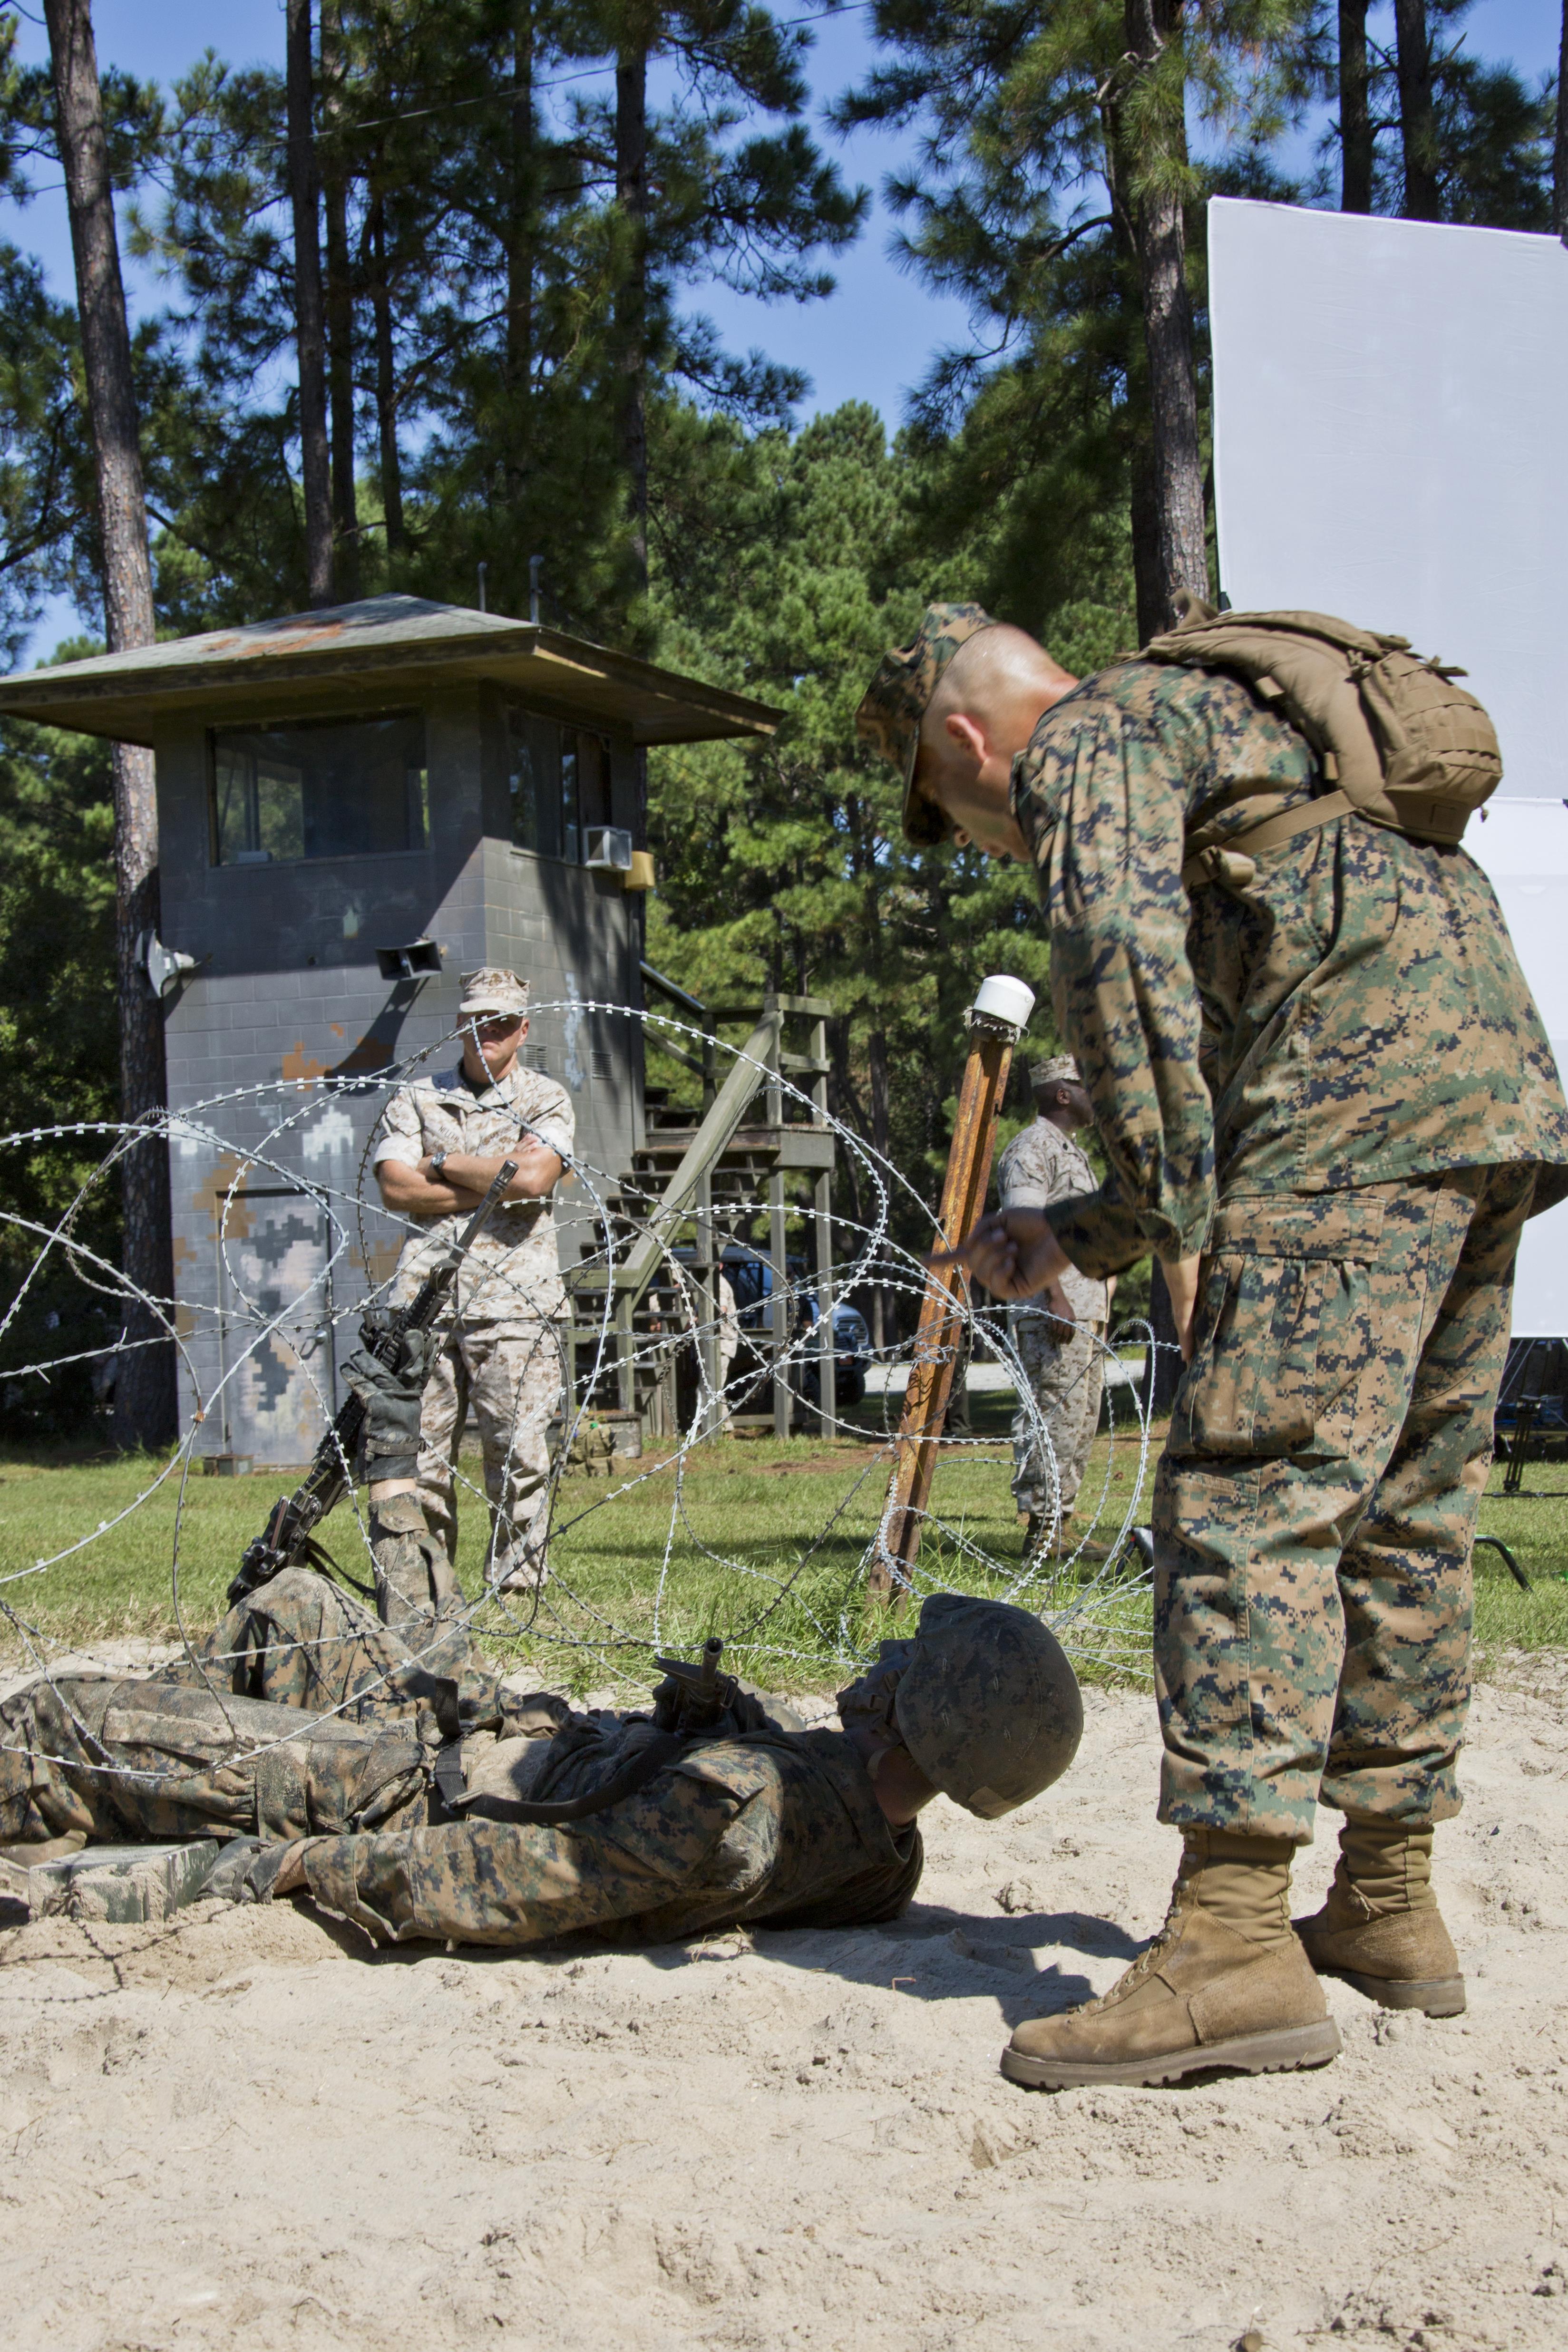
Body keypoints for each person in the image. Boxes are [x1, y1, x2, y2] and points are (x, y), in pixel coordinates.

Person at [856, 602, 1568, 2091]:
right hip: (1487, 1097)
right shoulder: (1225, 720)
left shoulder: (1085, 739)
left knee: (1247, 1498)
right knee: (1408, 1509)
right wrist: (1093, 1229)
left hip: (1345, 1114)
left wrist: (1160, 1207)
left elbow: (1122, 969)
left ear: (962, 741)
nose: (989, 839)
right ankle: (1387, 1899)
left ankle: (1233, 1943)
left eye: (961, 815)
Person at [0, 1574, 1083, 1952]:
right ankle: (152, 1784)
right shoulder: (886, 1851)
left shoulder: (745, 1804)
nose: (885, 1651)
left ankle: (136, 1791)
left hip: (407, 1793)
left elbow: (522, 1879)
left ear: (925, 1713)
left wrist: (294, 1865)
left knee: (55, 1724)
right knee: (293, 1610)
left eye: (909, 1659)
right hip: (498, 1743)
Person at [373, 967, 574, 1596]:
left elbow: (534, 1178)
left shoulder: (545, 1098)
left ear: (523, 1028)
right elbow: (394, 1185)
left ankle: (516, 1591)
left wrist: (442, 1163)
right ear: (460, 1022)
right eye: (477, 1019)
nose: (488, 1030)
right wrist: (493, 1182)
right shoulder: (417, 1097)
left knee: (518, 1456)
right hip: (426, 1304)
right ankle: (429, 1592)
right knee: (420, 1463)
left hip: (515, 1304)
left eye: (502, 1021)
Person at [997, 1055, 1116, 1555]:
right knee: (1053, 1413)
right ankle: (1044, 1529)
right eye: (1086, 1085)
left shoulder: (1070, 1150)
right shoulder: (1031, 1148)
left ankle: (1060, 1521)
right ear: (1062, 1094)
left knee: (1079, 1418)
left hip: (1082, 1309)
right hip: (1054, 1309)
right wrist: (1055, 1297)